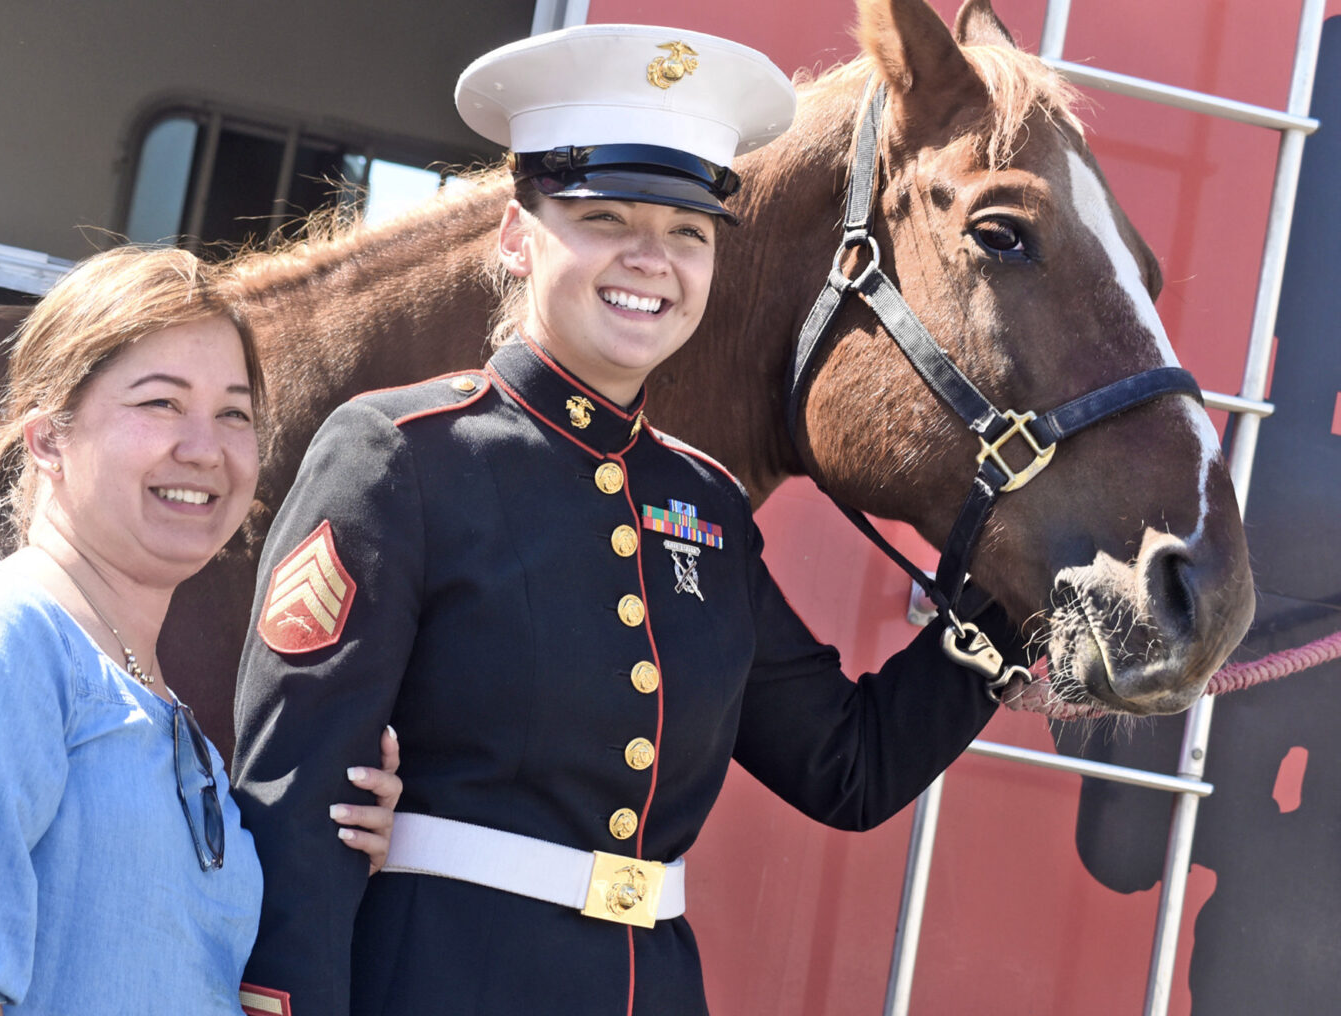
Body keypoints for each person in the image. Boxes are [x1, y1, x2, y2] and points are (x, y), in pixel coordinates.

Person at [232, 24, 1018, 1015]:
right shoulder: (399, 453)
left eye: (689, 232)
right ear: (518, 235)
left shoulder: (705, 503)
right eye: (607, 218)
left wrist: (1014, 611)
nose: (654, 260)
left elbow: (845, 767)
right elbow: (296, 800)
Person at [0, 246, 400, 1015]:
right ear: (47, 439)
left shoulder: (161, 713)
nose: (206, 447)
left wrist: (349, 855)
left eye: (233, 412)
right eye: (160, 403)